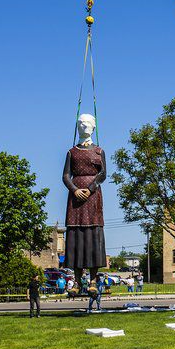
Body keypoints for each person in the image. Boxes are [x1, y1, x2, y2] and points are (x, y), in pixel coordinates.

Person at [63, 114, 108, 291]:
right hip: (75, 199)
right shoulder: (71, 152)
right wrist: (74, 189)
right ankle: (77, 280)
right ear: (77, 126)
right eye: (81, 123)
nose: (84, 126)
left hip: (93, 196)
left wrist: (90, 188)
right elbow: (66, 175)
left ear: (94, 126)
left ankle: (93, 280)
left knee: (93, 234)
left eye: (88, 123)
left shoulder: (99, 151)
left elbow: (103, 173)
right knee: (76, 235)